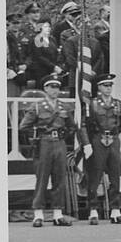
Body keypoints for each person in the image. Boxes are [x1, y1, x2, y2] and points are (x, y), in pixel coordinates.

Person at [20, 72, 76, 226]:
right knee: (42, 178)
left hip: (59, 142)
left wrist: (65, 133)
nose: (55, 90)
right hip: (44, 143)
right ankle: (38, 214)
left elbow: (72, 126)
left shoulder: (63, 106)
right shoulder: (38, 106)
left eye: (57, 87)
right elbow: (24, 126)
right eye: (52, 87)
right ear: (45, 88)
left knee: (59, 178)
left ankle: (58, 214)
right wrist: (36, 135)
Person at [80, 73, 121, 224]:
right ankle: (93, 210)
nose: (108, 89)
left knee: (115, 176)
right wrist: (87, 143)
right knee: (95, 175)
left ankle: (115, 211)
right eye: (105, 86)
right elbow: (83, 125)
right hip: (98, 139)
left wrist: (114, 136)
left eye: (110, 86)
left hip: (113, 139)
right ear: (99, 87)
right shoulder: (92, 104)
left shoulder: (118, 104)